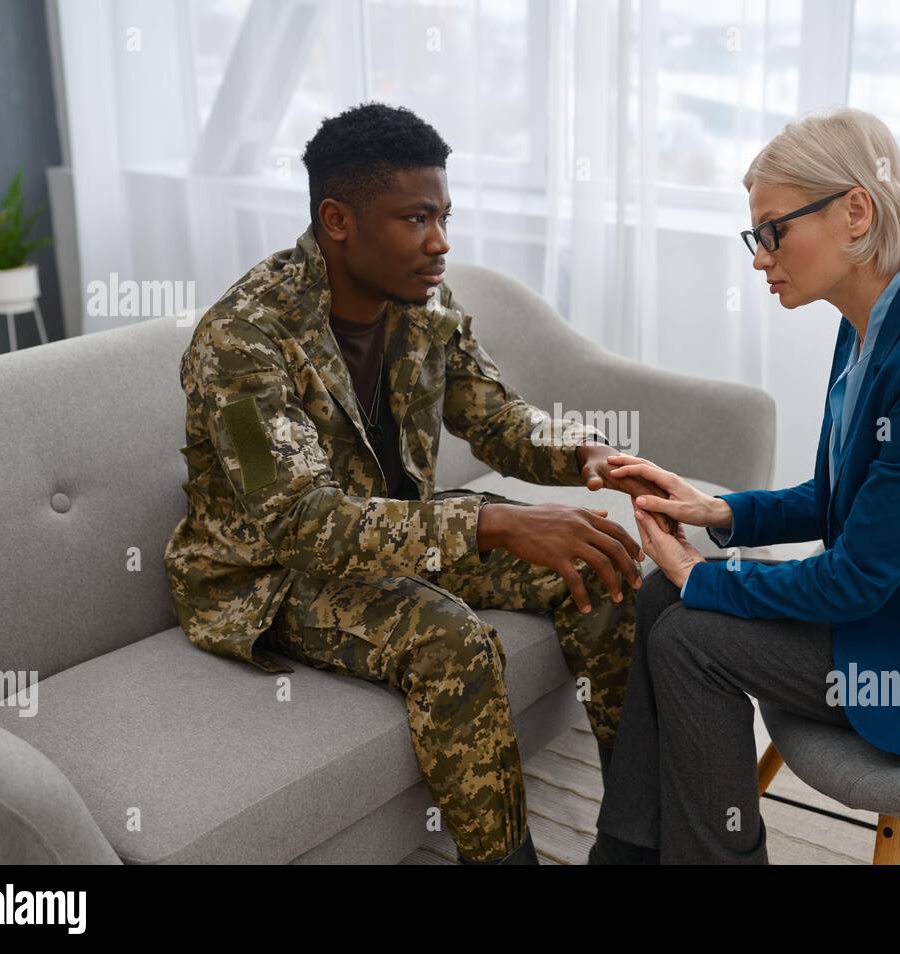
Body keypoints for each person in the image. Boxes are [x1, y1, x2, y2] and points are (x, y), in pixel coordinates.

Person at [163, 102, 666, 865]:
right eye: (416, 218)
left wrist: (587, 456)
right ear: (338, 219)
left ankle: (634, 841)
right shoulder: (240, 343)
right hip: (272, 576)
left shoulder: (424, 302)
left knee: (606, 567)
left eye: (444, 215)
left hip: (400, 531)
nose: (441, 242)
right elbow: (300, 522)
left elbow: (492, 416)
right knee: (450, 640)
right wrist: (495, 524)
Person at [588, 107, 900, 865]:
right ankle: (626, 854)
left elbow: (857, 581)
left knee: (690, 635)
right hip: (899, 613)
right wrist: (716, 513)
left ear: (855, 211)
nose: (760, 258)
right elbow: (835, 499)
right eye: (758, 236)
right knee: (660, 595)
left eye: (774, 230)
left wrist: (703, 577)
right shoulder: (867, 327)